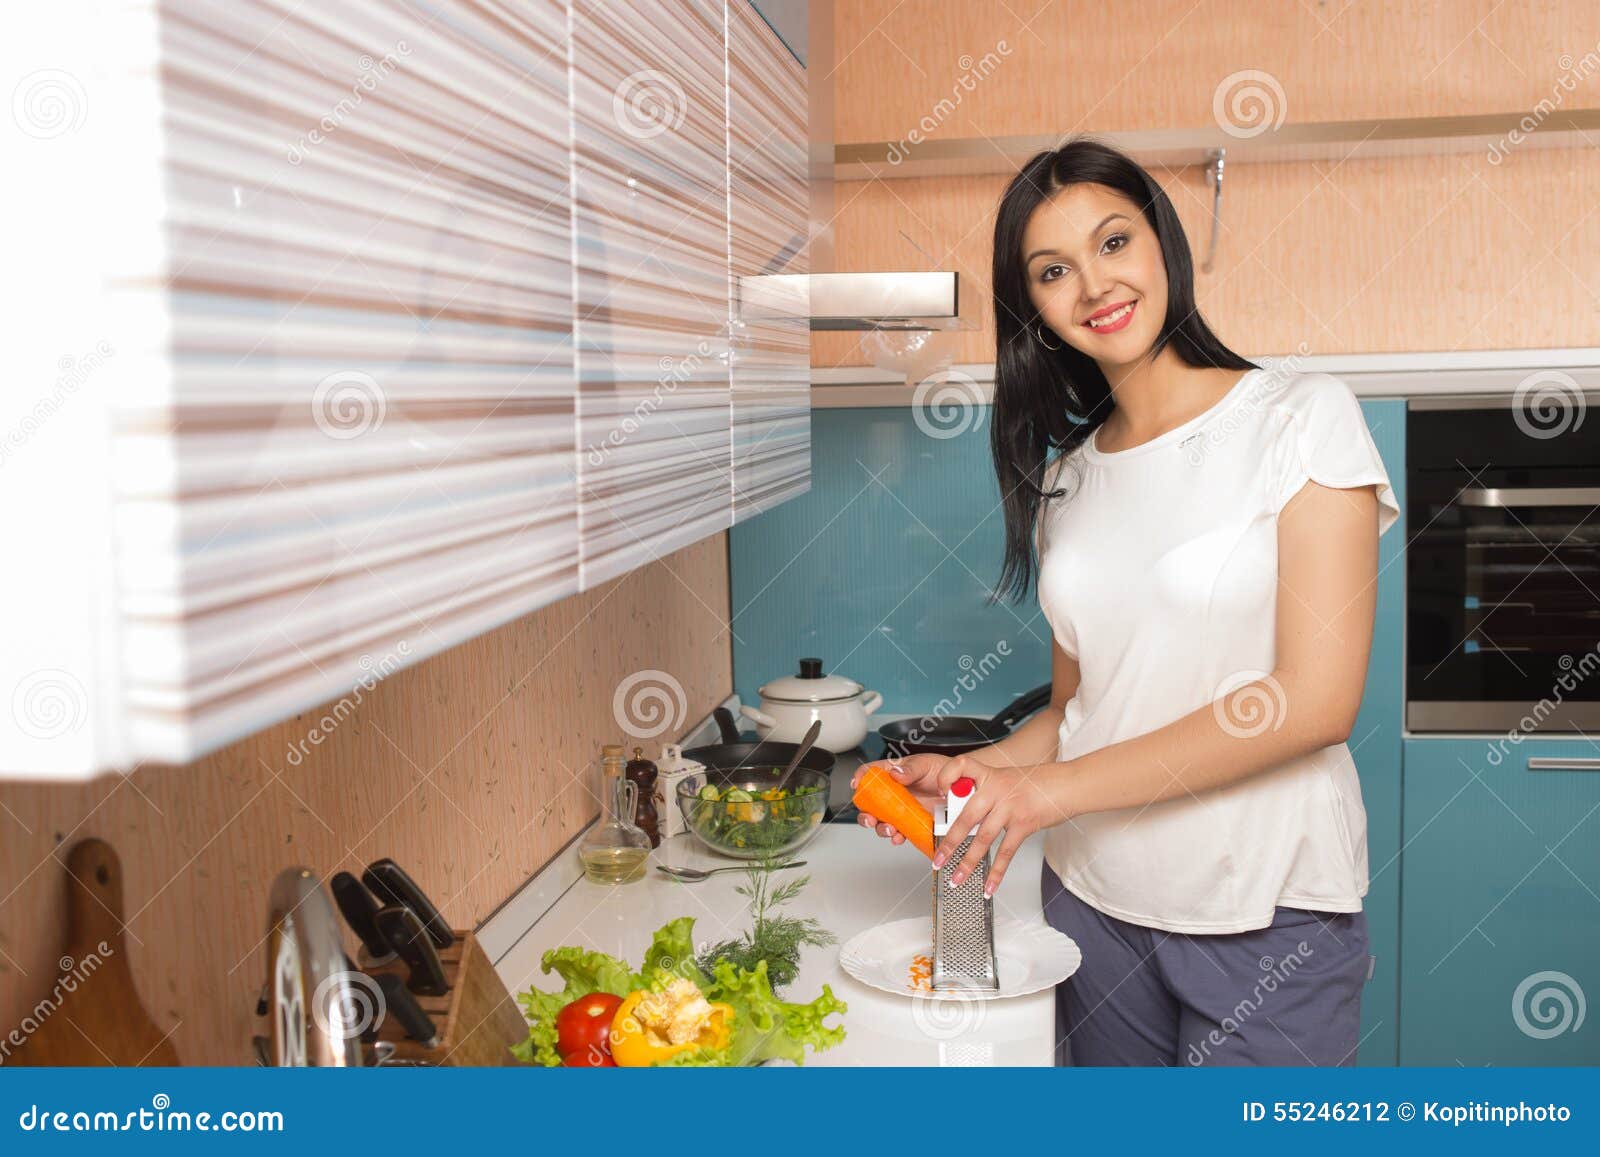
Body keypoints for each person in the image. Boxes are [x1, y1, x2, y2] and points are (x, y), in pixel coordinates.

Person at [853, 136, 1400, 1067]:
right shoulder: (1067, 478)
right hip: (1094, 904)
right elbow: (1078, 710)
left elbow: (1314, 701)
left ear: (1163, 246)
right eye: (1053, 269)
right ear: (1033, 306)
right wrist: (979, 773)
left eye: (1114, 242)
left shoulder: (1299, 417)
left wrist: (1045, 792)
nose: (1094, 285)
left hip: (1264, 910)